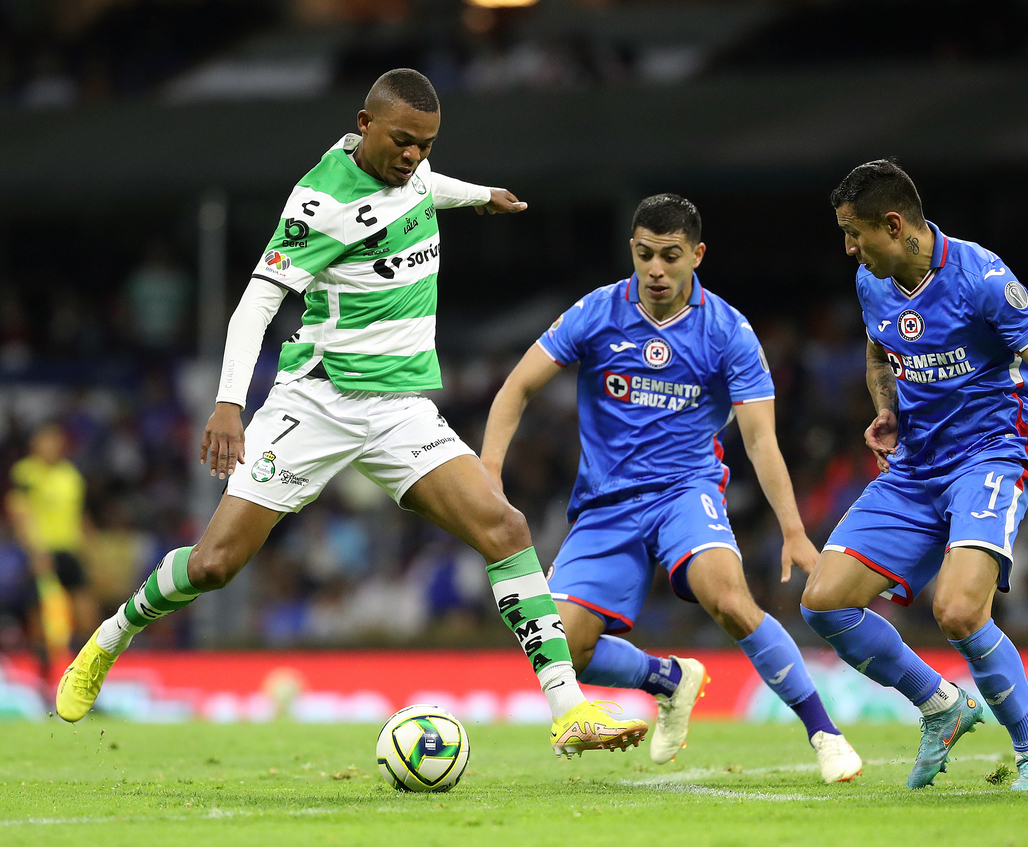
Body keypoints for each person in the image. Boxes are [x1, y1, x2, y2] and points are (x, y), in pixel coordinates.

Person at [56, 68, 646, 757]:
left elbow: (429, 188)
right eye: (403, 142)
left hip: (400, 407)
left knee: (505, 526)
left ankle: (568, 712)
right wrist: (228, 402)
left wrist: (481, 196)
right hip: (317, 402)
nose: (415, 157)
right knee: (215, 564)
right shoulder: (320, 203)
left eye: (426, 145)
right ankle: (113, 634)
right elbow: (256, 303)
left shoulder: (411, 171)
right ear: (365, 125)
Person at [482, 194, 863, 782]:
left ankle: (825, 733)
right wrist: (488, 475)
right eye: (643, 255)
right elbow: (516, 389)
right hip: (606, 505)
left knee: (730, 600)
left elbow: (761, 440)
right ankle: (669, 680)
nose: (655, 269)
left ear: (697, 255)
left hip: (685, 492)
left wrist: (792, 528)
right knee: (564, 648)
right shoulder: (596, 312)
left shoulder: (728, 331)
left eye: (669, 255)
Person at [800, 160, 1028, 791]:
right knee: (823, 602)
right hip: (916, 464)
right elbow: (878, 348)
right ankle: (941, 705)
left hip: (991, 452)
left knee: (958, 610)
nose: (848, 248)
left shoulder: (980, 276)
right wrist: (886, 407)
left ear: (894, 224)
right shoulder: (872, 280)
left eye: (854, 232)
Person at [5, 423, 95, 675]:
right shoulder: (26, 473)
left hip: (69, 551)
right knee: (42, 616)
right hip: (41, 552)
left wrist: (88, 547)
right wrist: (34, 552)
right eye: (46, 440)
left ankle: (81, 675)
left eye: (56, 440)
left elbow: (79, 515)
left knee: (85, 613)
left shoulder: (71, 475)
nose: (52, 446)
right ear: (35, 443)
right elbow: (18, 513)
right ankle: (43, 674)